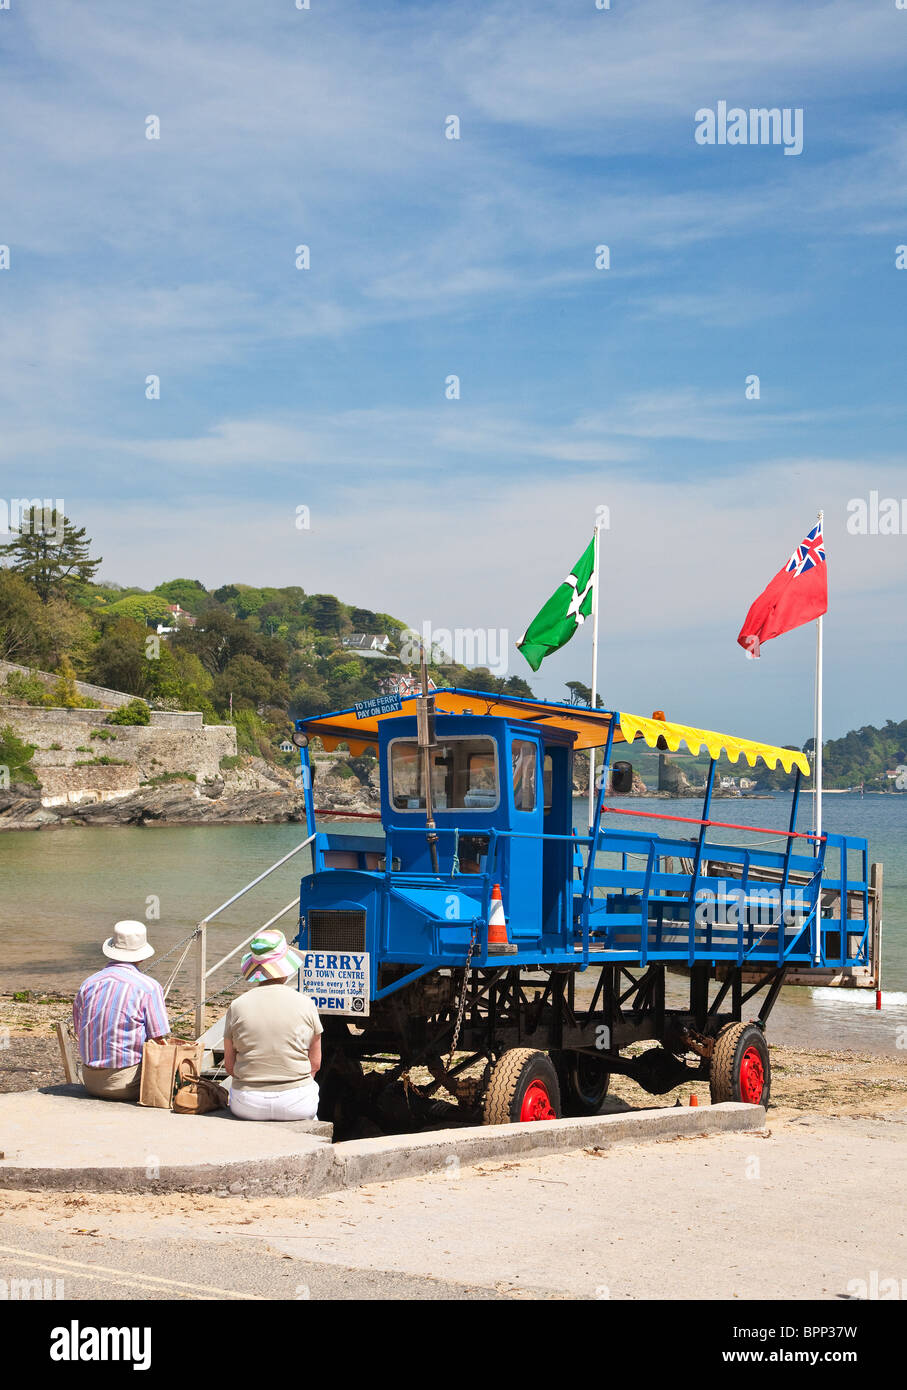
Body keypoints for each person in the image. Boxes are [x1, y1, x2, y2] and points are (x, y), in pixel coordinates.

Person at [222, 929, 323, 1122]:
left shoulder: (237, 1006)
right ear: (285, 967)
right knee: (312, 1105)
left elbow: (229, 1066)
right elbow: (315, 1063)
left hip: (248, 1103)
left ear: (255, 970)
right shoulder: (306, 1003)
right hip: (296, 1102)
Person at [73, 921, 170, 1102]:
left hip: (90, 1081)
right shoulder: (148, 987)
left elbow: (80, 1029)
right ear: (141, 956)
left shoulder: (88, 984)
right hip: (127, 1085)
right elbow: (159, 1038)